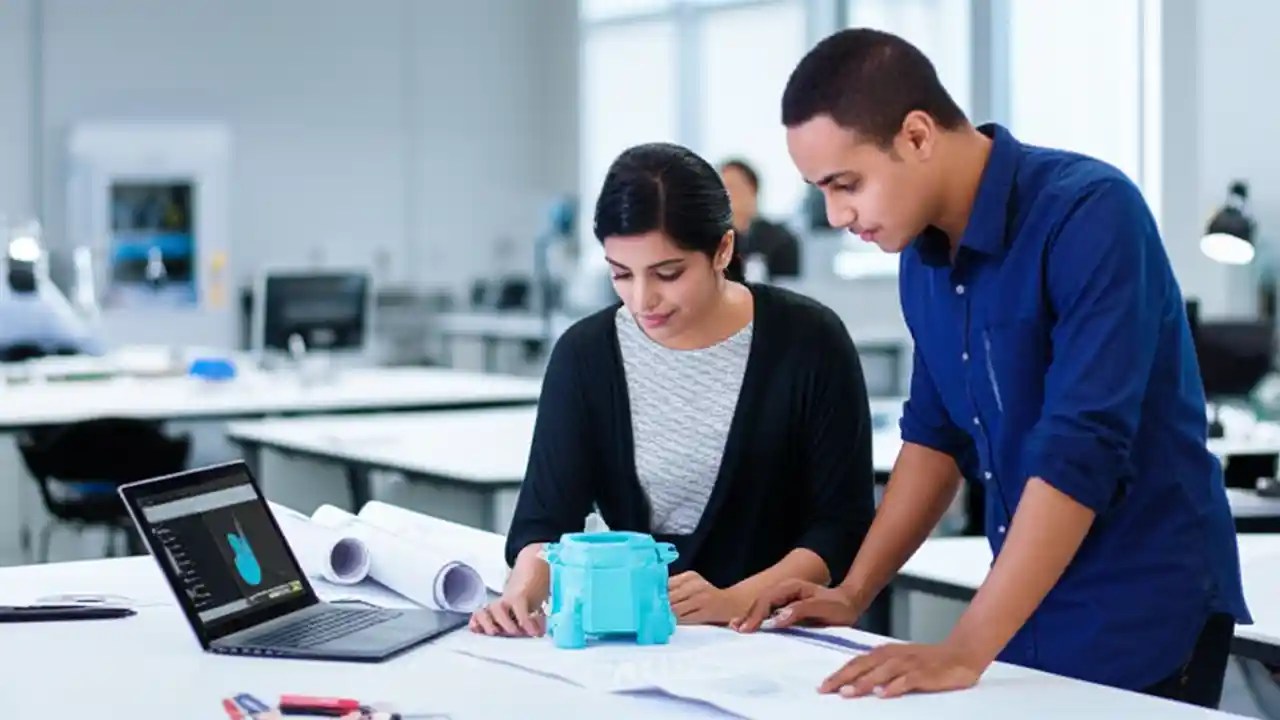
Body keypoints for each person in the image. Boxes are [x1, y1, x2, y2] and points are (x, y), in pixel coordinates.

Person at [733, 28, 1251, 710]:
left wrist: (964, 648)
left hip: (1141, 608)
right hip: (1025, 608)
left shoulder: (1089, 213)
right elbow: (933, 436)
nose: (836, 215)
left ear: (917, 136)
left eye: (846, 184)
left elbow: (1080, 451)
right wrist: (853, 592)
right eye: (820, 191)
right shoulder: (923, 259)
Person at [469, 141, 875, 637]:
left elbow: (840, 525)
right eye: (621, 274)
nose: (643, 300)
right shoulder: (586, 355)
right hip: (635, 641)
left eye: (668, 273)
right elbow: (545, 522)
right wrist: (523, 590)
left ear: (722, 250)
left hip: (778, 637)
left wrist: (736, 600)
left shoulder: (809, 341)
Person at [718, 158, 802, 281]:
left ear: (753, 189)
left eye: (731, 187)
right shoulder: (716, 241)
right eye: (721, 189)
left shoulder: (781, 240)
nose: (726, 195)